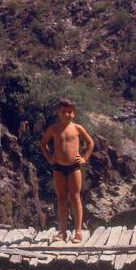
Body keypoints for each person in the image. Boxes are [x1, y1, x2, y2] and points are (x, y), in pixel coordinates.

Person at [40, 99, 95, 241]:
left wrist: (84, 158)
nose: (66, 114)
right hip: (58, 168)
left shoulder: (77, 128)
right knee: (61, 198)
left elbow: (90, 143)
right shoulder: (53, 129)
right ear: (58, 113)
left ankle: (78, 231)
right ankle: (63, 231)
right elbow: (43, 144)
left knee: (75, 197)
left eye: (69, 112)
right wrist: (49, 157)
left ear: (74, 113)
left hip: (74, 168)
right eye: (63, 112)